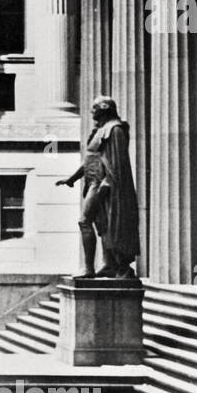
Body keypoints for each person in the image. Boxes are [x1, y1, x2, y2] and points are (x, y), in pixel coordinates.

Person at [56, 95, 140, 278]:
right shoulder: (101, 130)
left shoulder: (115, 129)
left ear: (104, 108)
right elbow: (91, 160)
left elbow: (118, 163)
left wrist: (106, 185)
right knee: (102, 225)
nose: (91, 110)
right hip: (93, 182)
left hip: (103, 184)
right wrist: (72, 178)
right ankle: (109, 264)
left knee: (84, 221)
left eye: (95, 107)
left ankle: (89, 268)